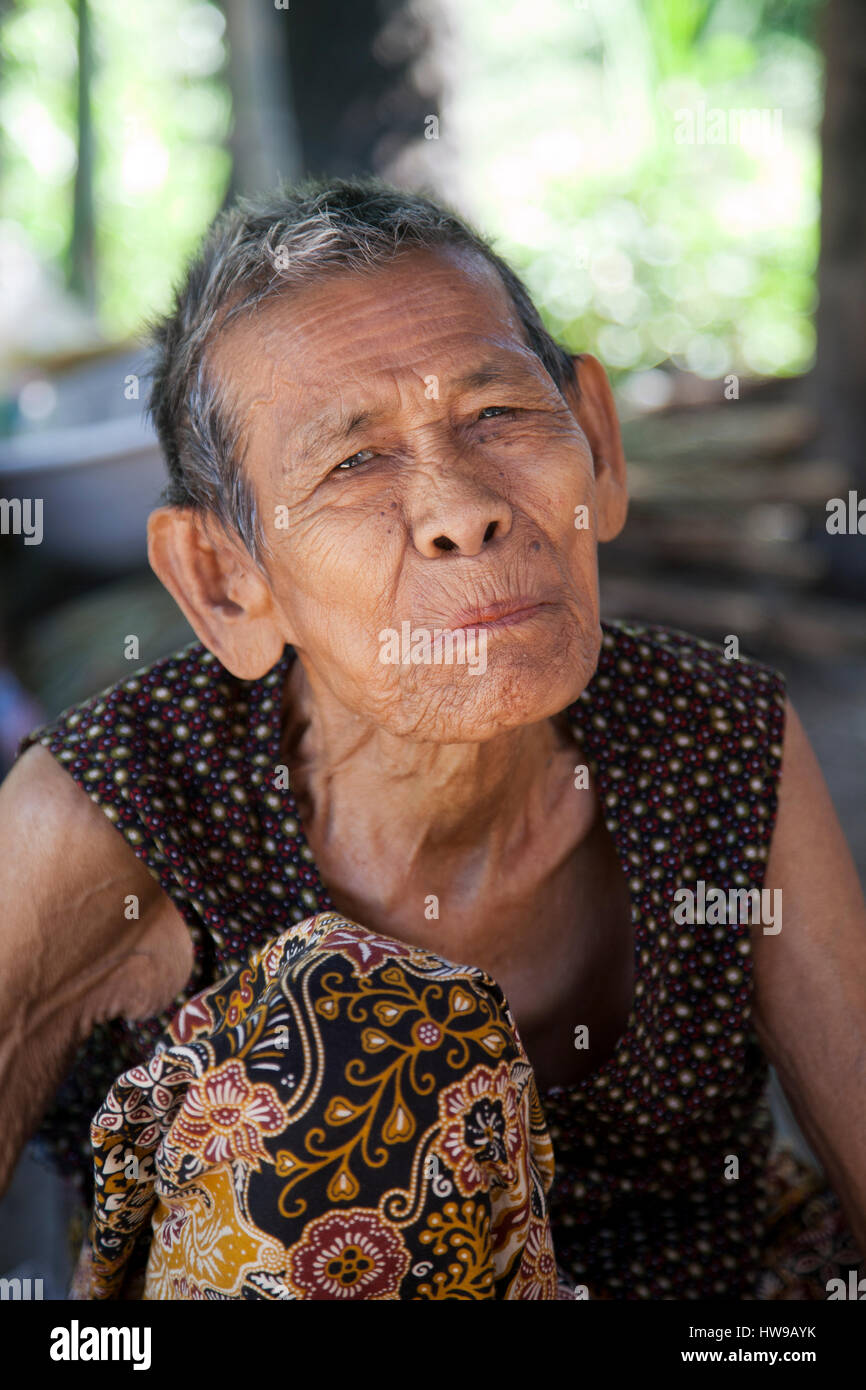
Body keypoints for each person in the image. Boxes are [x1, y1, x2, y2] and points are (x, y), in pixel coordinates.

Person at [2, 177, 864, 1300]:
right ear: (224, 582)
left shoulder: (712, 736)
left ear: (595, 445)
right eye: (352, 460)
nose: (462, 506)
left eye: (496, 414)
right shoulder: (113, 806)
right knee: (357, 1047)